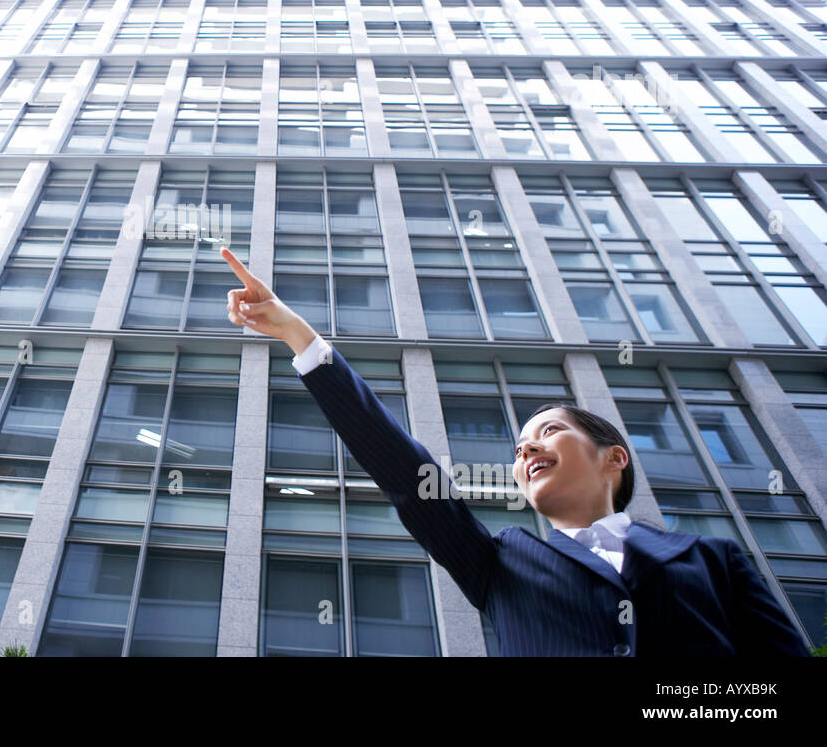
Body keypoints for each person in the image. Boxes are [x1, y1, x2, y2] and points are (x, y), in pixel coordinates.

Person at [221, 247, 809, 656]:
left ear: (614, 457)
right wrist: (300, 338)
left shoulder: (714, 560)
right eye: (521, 444)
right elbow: (407, 473)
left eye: (549, 431)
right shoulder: (499, 564)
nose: (528, 446)